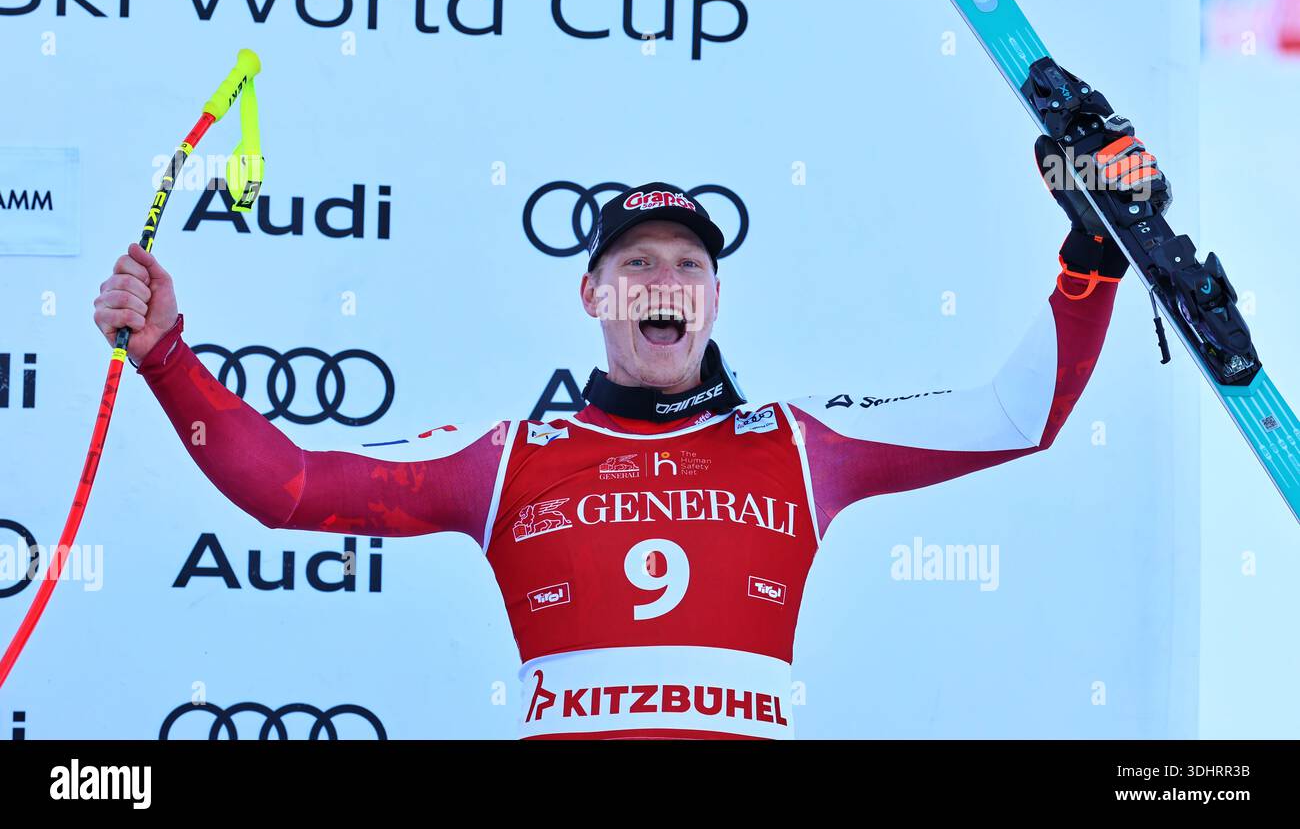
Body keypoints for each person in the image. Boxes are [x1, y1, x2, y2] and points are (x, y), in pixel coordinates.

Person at [92, 137, 1157, 739]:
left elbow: (1019, 415)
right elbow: (290, 486)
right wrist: (165, 351)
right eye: (638, 262)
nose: (664, 279)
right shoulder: (508, 453)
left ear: (715, 299)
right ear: (593, 291)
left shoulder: (797, 445)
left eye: (687, 265)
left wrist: (1091, 257)